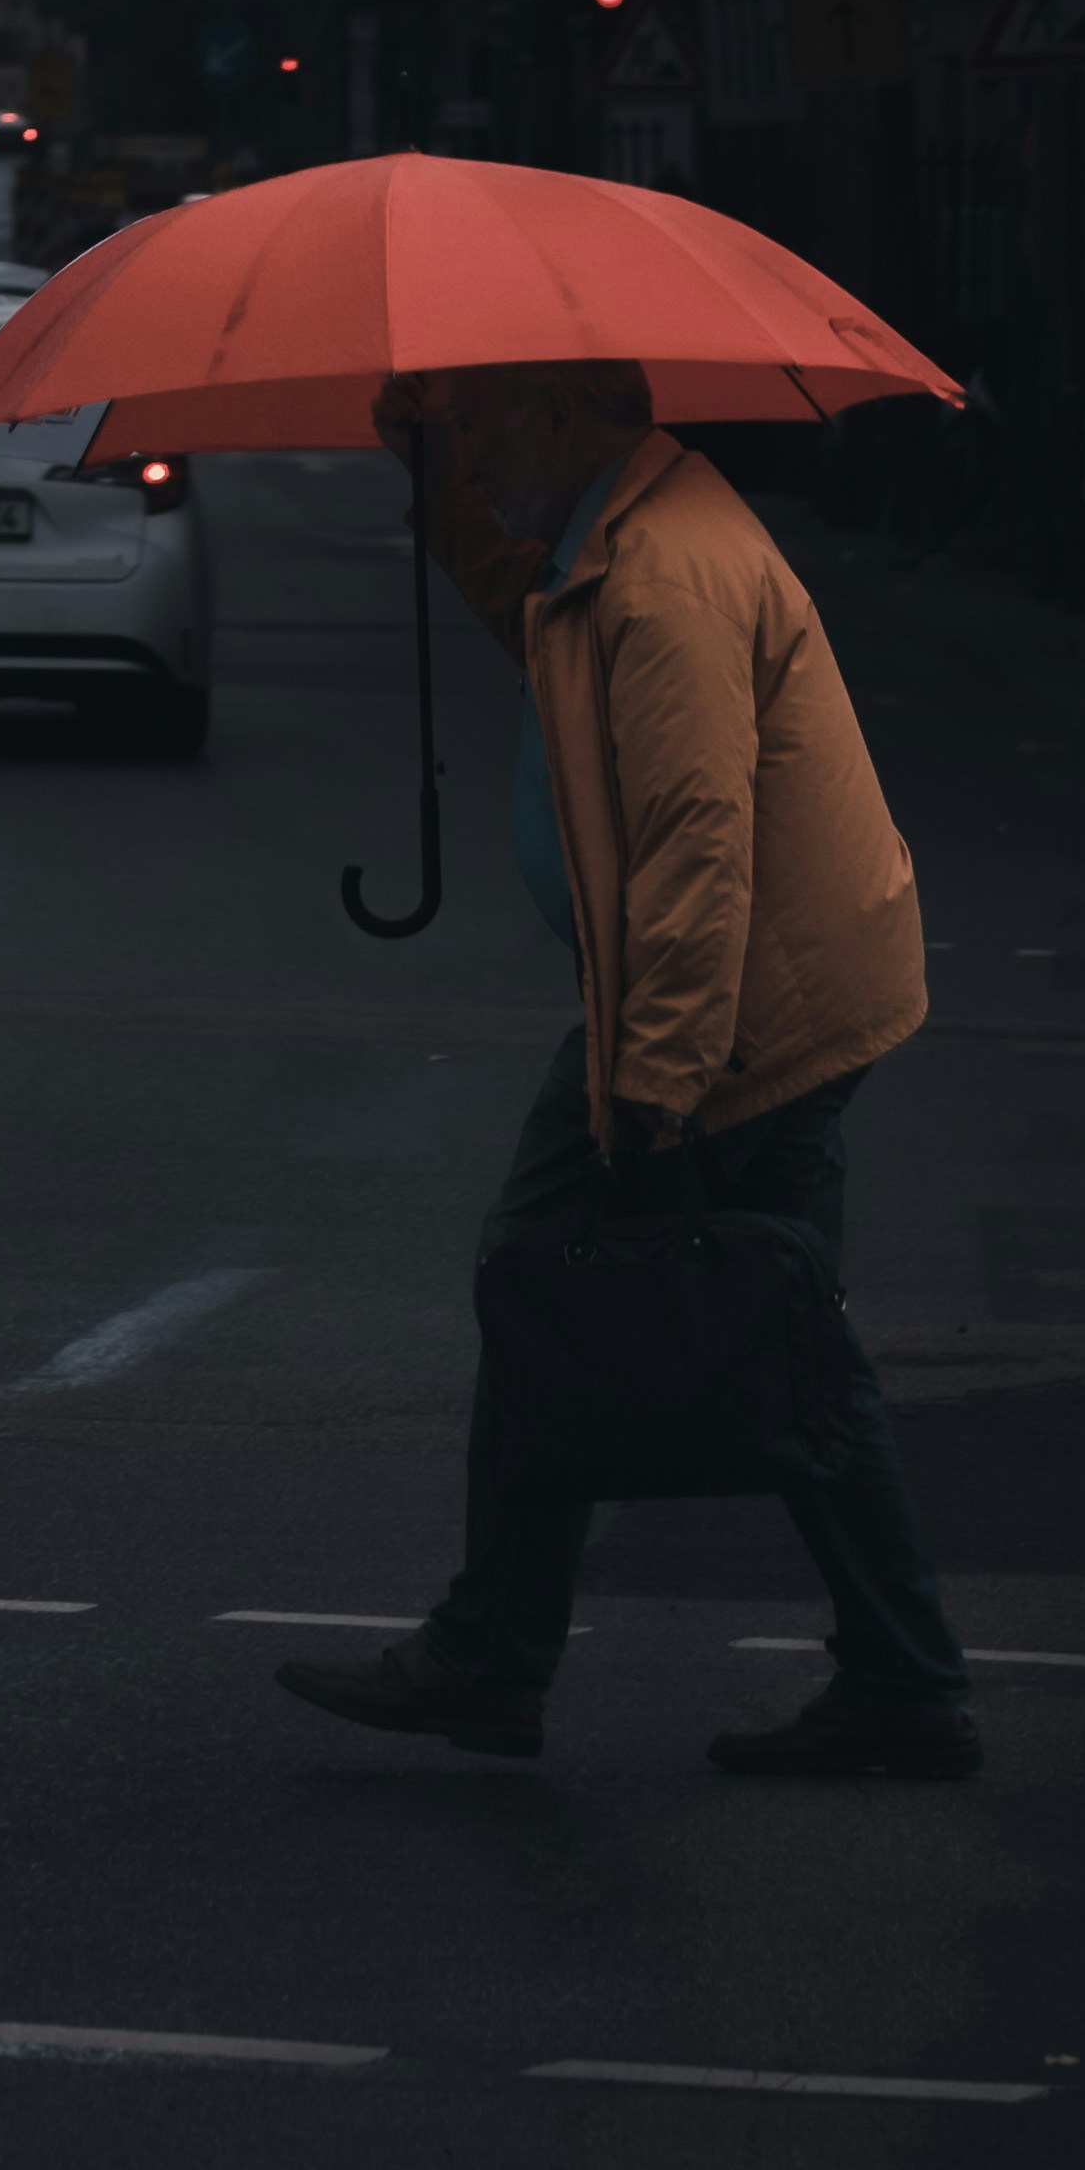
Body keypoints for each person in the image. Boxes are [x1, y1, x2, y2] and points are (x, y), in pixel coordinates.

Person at [276, 357, 977, 1782]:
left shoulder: (661, 582)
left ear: (558, 410)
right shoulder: (614, 542)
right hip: (759, 996)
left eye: (476, 426)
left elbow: (697, 845)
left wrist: (657, 1078)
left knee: (557, 1280)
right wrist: (422, 457)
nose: (470, 459)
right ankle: (895, 1677)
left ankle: (493, 1652)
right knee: (775, 1340)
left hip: (736, 1015)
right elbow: (528, 619)